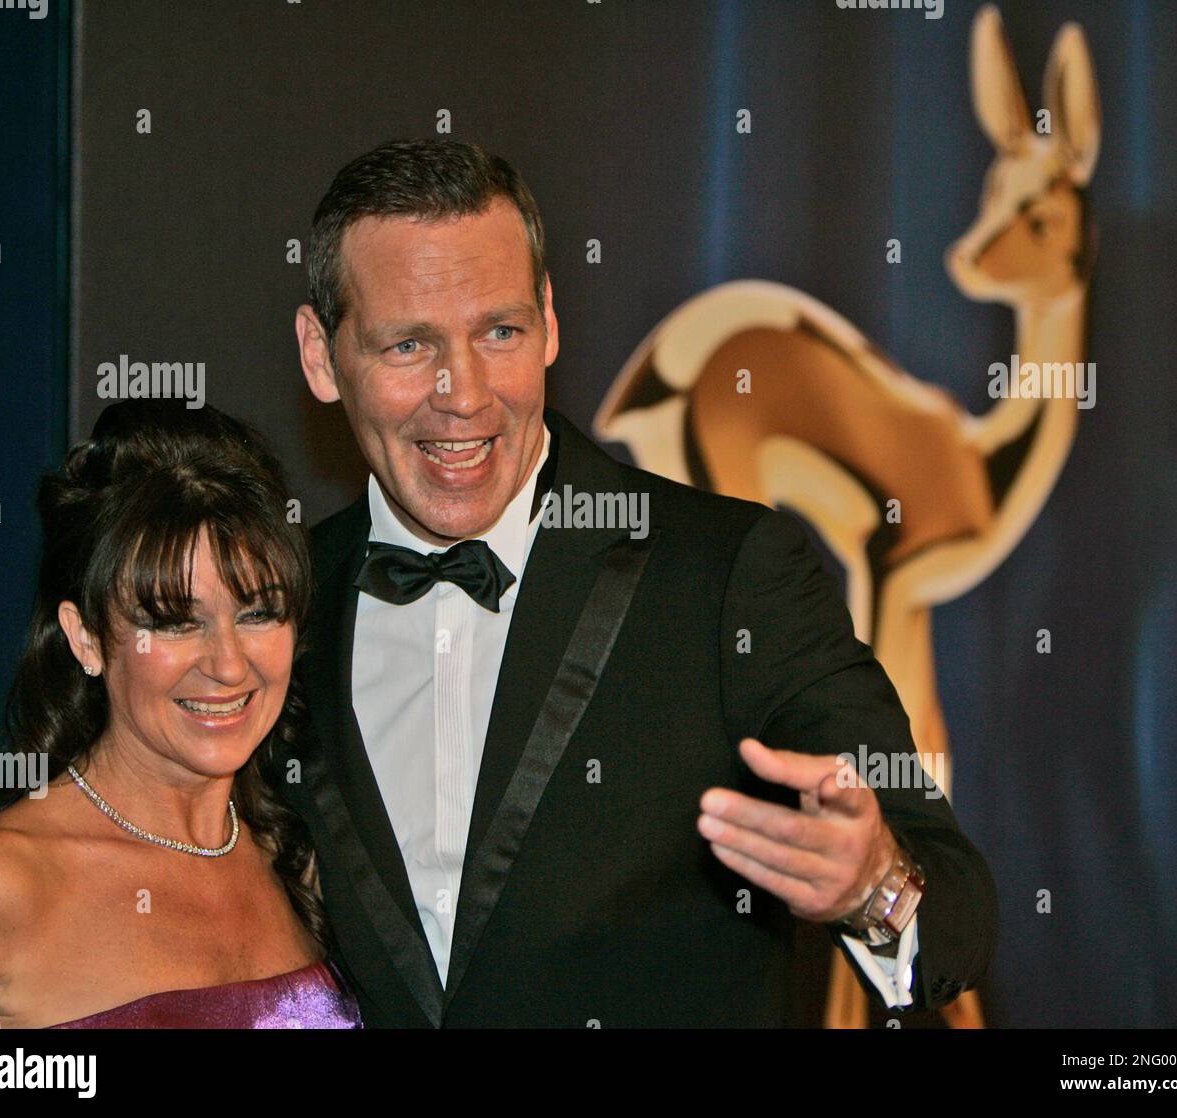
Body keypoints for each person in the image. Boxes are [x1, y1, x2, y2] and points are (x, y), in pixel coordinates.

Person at [284, 138, 997, 1026]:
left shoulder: (727, 574)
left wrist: (874, 886)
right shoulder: (278, 604)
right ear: (321, 355)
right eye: (407, 344)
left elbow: (957, 902)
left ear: (550, 321)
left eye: (498, 332)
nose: (459, 393)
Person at [0, 401, 361, 1029]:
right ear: (84, 638)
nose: (227, 665)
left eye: (257, 614)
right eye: (172, 622)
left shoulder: (300, 857)